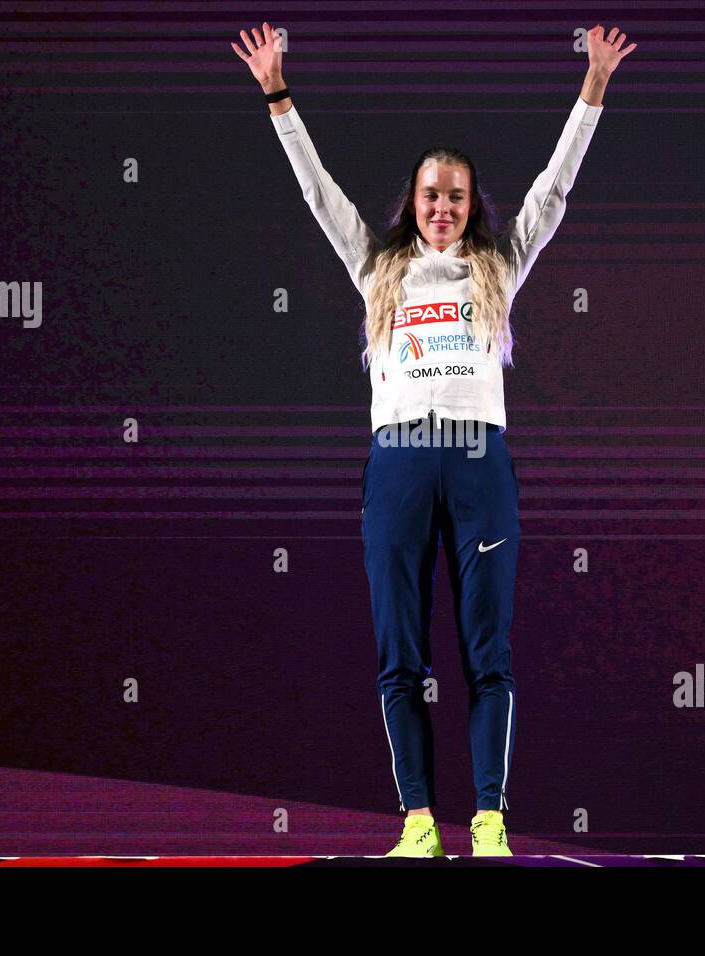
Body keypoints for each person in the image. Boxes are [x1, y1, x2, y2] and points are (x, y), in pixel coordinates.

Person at [233, 20, 634, 858]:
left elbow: (554, 192)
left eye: (455, 195)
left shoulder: (500, 263)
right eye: (429, 196)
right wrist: (277, 93)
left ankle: (488, 817)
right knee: (400, 653)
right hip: (400, 464)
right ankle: (418, 820)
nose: (442, 207)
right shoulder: (378, 266)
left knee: (488, 650)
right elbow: (317, 192)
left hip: (479, 461)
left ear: (470, 203)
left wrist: (593, 86)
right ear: (412, 205)